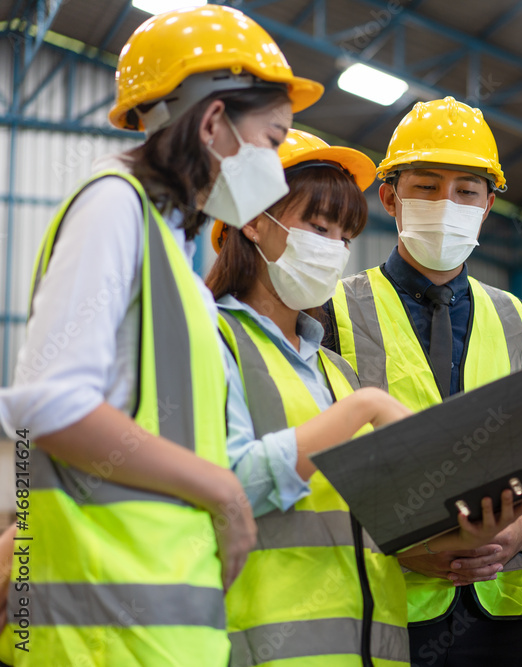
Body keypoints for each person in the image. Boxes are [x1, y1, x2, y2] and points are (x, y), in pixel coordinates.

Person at [0, 6, 323, 665]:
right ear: (213, 124)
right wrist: (224, 492)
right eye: (273, 138)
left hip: (158, 632)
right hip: (99, 632)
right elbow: (47, 406)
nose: (278, 168)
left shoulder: (173, 252)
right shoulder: (113, 205)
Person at [207, 128, 522, 667]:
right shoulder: (213, 340)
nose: (331, 249)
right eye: (318, 228)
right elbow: (221, 489)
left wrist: (484, 532)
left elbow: (361, 503)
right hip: (271, 638)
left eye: (342, 235)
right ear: (252, 221)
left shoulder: (330, 370)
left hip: (369, 640)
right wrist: (367, 409)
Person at [323, 96, 522, 667]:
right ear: (390, 197)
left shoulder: (516, 318)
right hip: (384, 605)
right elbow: (310, 463)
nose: (446, 204)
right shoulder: (331, 311)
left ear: (487, 207)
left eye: (466, 192)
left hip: (499, 613)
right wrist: (396, 544)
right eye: (426, 187)